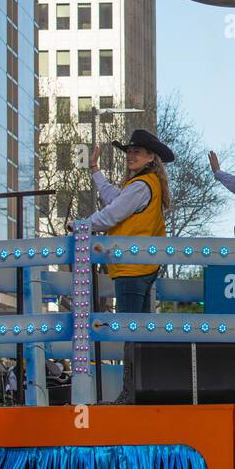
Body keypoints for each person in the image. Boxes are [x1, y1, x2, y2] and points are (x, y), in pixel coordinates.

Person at [85, 128, 174, 404]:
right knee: (140, 331)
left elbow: (112, 213)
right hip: (144, 267)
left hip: (131, 267)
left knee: (129, 333)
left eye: (138, 151)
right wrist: (95, 170)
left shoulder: (139, 186)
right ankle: (140, 392)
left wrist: (82, 227)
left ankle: (130, 394)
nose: (131, 155)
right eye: (129, 151)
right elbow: (116, 200)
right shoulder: (147, 185)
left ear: (151, 158)